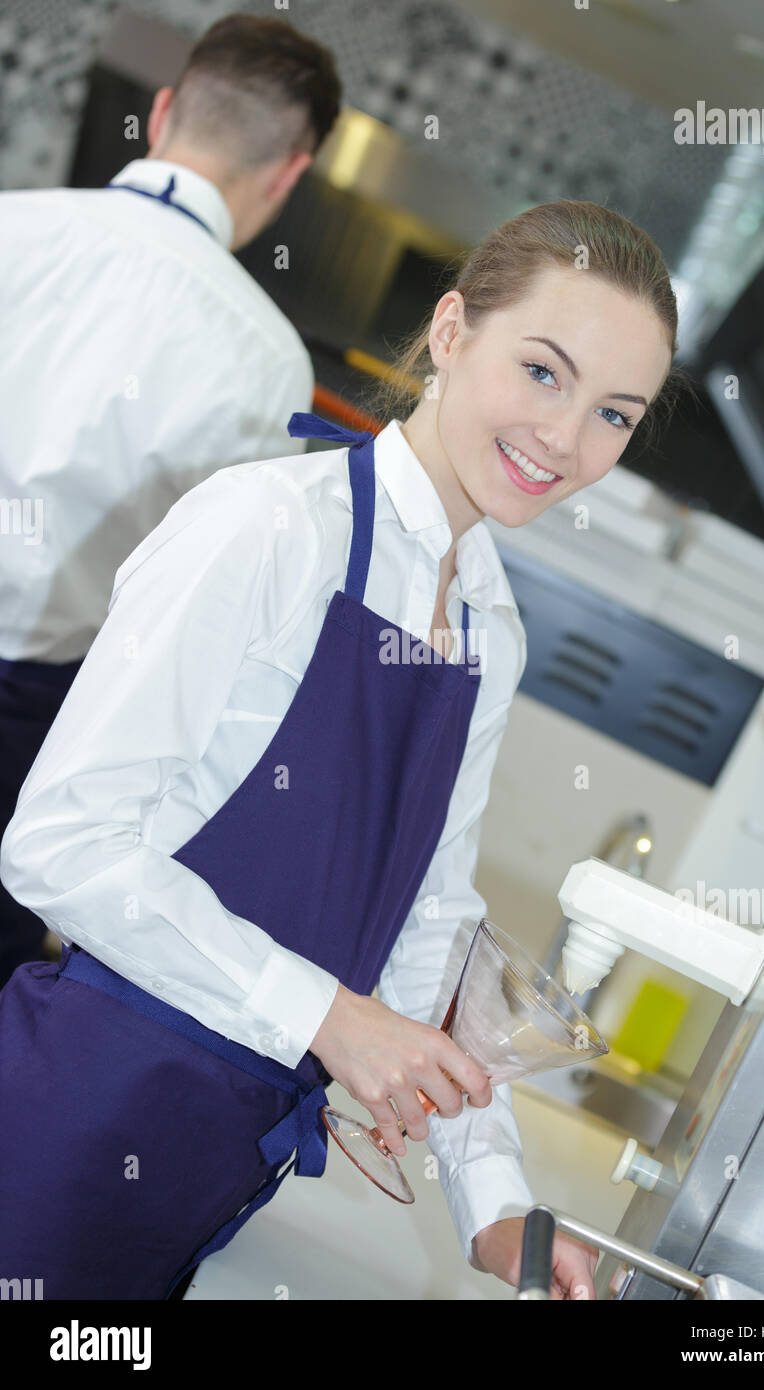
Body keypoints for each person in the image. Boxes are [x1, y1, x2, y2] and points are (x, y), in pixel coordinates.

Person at [0, 199, 679, 1300]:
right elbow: (58, 844)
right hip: (69, 1120)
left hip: (214, 1160)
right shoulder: (269, 527)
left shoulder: (489, 630)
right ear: (451, 332)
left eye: (613, 413)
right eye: (543, 371)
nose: (564, 438)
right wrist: (328, 1015)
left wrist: (498, 1204)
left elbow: (429, 923)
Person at [0, 14, 341, 986]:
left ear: (160, 115)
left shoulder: (9, 227)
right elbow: (199, 601)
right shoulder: (267, 356)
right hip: (38, 705)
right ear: (287, 173)